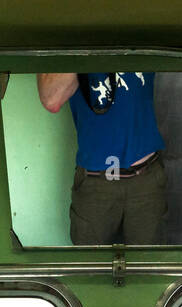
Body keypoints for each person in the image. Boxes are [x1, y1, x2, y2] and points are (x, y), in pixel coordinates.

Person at [38, 72, 167, 245]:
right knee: (89, 268)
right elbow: (51, 99)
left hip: (146, 176)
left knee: (147, 267)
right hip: (95, 181)